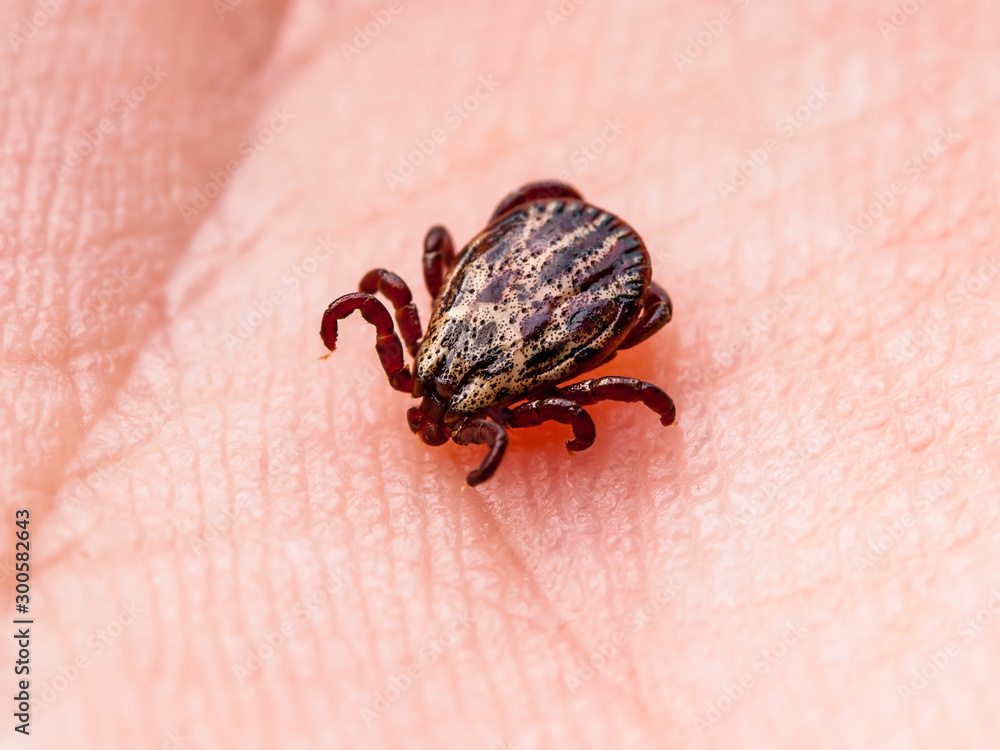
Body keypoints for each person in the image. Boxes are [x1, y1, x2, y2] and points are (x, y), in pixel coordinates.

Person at [7, 0, 995, 747]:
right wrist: (553, 414)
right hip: (555, 257)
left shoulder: (435, 330)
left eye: (453, 418)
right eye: (442, 408)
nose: (438, 420)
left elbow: (421, 280)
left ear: (419, 323)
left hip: (549, 261)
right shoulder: (464, 355)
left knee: (612, 334)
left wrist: (532, 415)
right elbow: (497, 291)